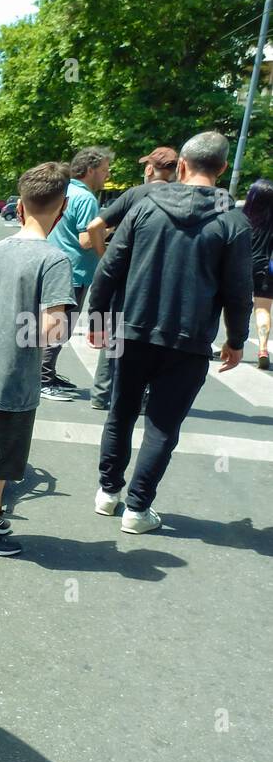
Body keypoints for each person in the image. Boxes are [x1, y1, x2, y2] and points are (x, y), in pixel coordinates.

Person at [87, 131, 252, 535]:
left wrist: (96, 317)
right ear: (224, 169)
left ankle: (108, 493)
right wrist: (236, 339)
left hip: (132, 328)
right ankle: (138, 509)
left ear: (181, 166)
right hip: (189, 339)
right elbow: (238, 290)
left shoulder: (145, 206)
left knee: (120, 412)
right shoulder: (232, 220)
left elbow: (112, 267)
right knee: (162, 426)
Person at [0, 162, 74, 557]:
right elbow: (53, 331)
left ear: (19, 205)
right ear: (64, 206)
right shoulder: (53, 260)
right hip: (15, 378)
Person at [79, 146, 178, 407]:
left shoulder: (136, 194)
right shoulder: (183, 197)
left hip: (129, 273)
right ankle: (141, 397)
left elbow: (94, 226)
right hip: (167, 277)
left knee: (113, 331)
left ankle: (101, 395)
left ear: (149, 169)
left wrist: (105, 255)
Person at [43, 146, 113, 400]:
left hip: (55, 266)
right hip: (74, 271)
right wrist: (109, 230)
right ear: (91, 169)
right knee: (60, 328)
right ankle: (43, 379)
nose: (106, 175)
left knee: (50, 324)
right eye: (104, 170)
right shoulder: (85, 199)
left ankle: (46, 373)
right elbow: (86, 240)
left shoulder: (63, 190)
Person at [243, 177, 273, 369]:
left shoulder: (243, 219)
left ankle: (232, 341)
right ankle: (263, 348)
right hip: (269, 269)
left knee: (235, 305)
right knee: (263, 309)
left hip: (243, 267)